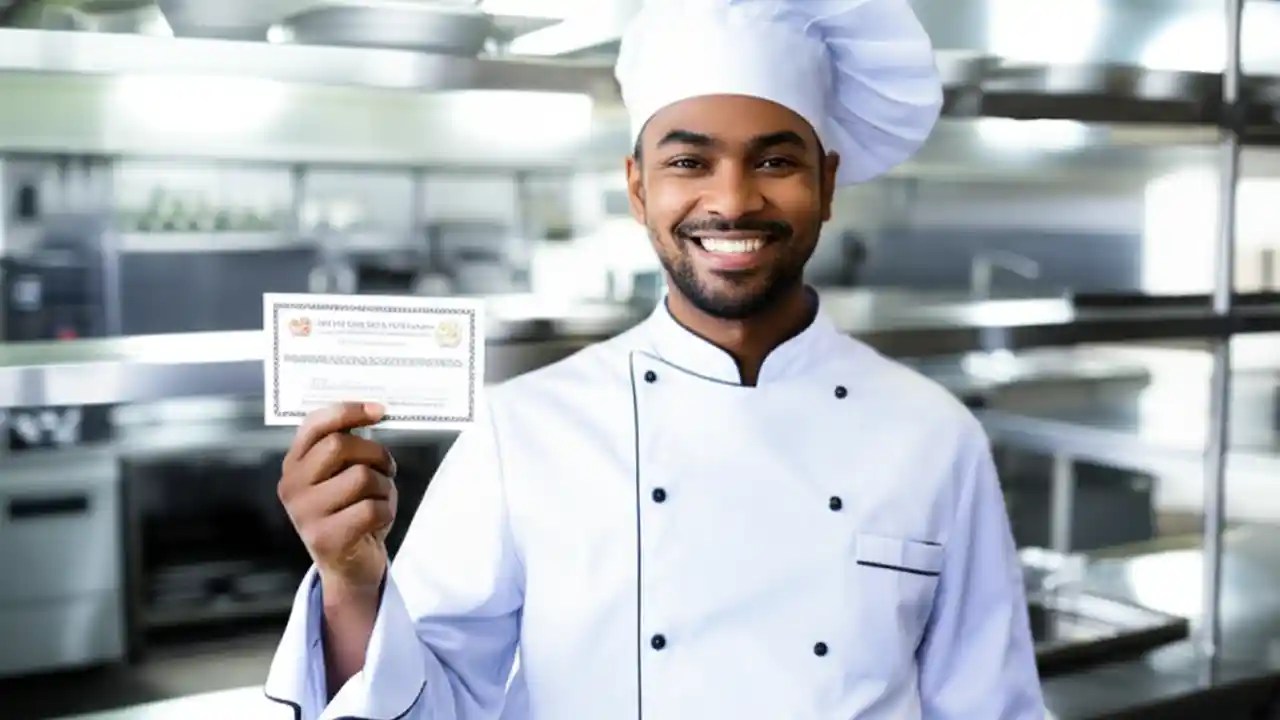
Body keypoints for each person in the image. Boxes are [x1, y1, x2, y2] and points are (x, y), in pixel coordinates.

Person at [264, 0, 1046, 717]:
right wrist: (353, 580)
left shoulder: (934, 436)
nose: (734, 200)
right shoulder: (526, 432)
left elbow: (990, 704)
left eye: (775, 162)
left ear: (827, 183)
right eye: (688, 162)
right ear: (637, 187)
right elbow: (427, 702)